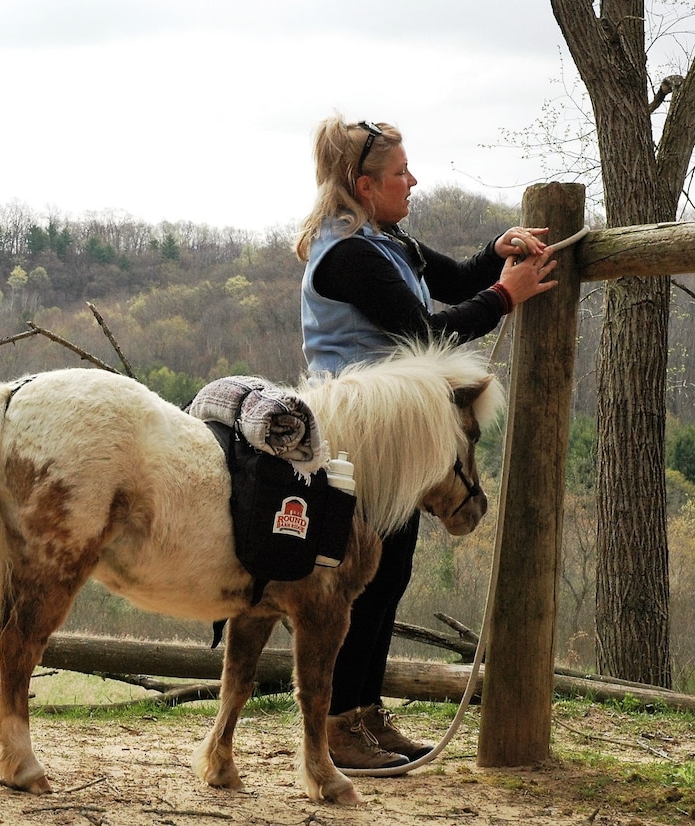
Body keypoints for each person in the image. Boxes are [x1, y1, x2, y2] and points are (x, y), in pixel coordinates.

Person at [296, 115, 559, 771]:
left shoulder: (385, 242)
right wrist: (507, 295)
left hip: (391, 437)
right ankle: (337, 724)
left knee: (388, 573)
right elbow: (432, 331)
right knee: (361, 581)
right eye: (399, 175)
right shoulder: (351, 255)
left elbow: (456, 280)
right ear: (364, 184)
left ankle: (361, 712)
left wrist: (496, 256)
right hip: (355, 439)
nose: (411, 181)